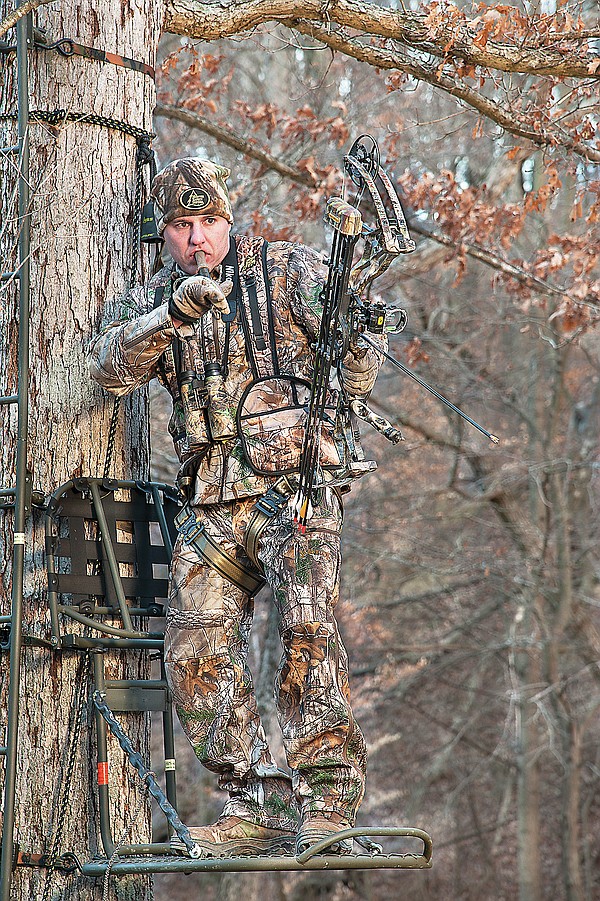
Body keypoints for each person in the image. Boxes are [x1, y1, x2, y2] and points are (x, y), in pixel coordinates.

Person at [89, 157, 384, 859]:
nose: (199, 239)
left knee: (306, 631)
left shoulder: (287, 270)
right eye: (183, 227)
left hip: (294, 494)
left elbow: (360, 352)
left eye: (210, 223)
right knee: (192, 646)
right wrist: (173, 313)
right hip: (213, 505)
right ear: (165, 234)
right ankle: (257, 799)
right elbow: (108, 368)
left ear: (229, 221)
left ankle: (331, 802)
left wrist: (356, 338)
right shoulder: (153, 297)